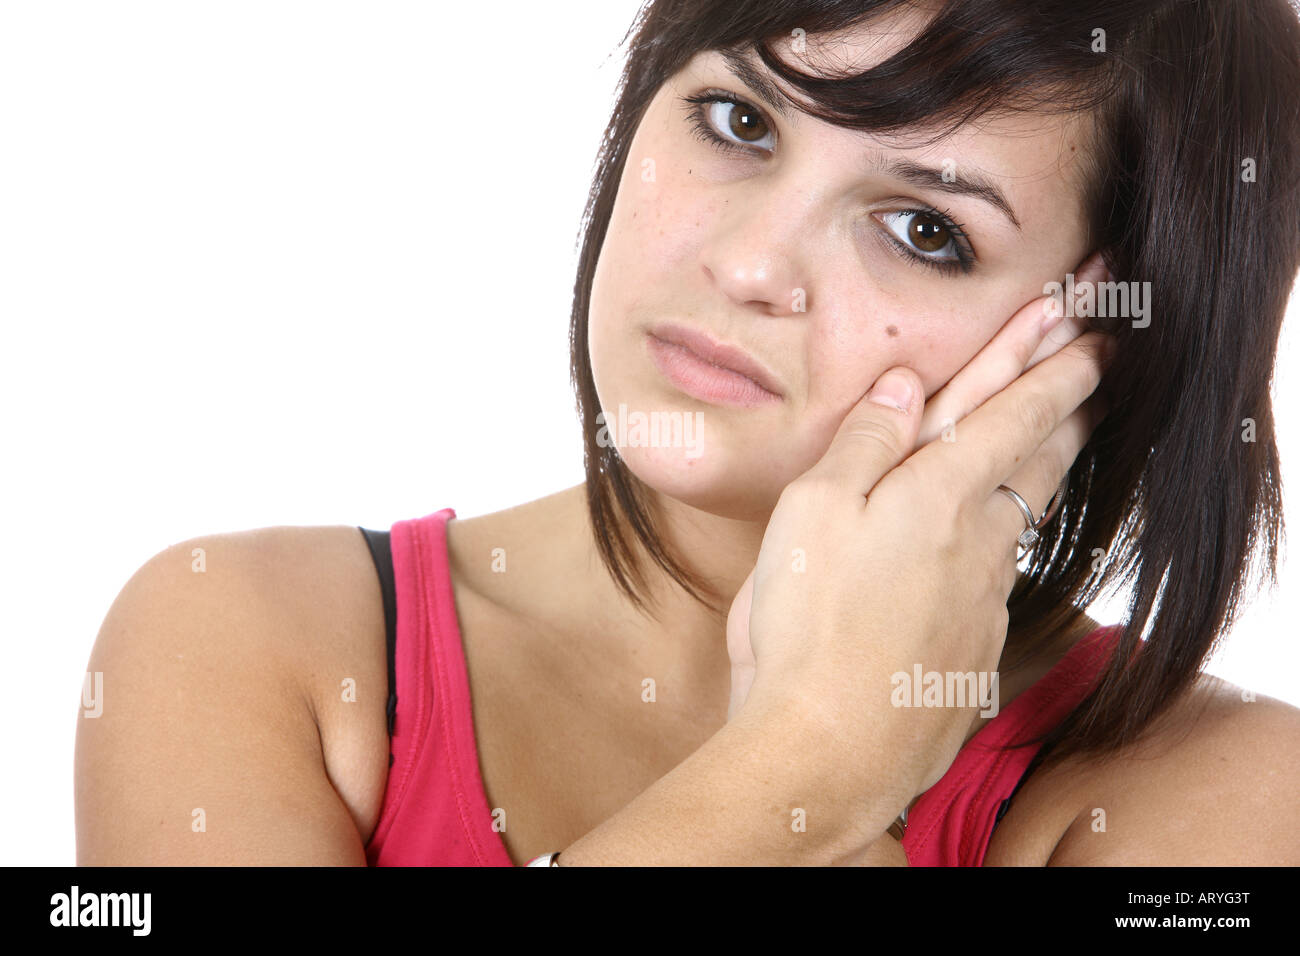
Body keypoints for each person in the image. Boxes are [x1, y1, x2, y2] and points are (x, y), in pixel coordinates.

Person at [76, 0, 1300, 866]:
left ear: (1097, 345)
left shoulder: (1226, 795)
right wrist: (808, 767)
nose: (749, 260)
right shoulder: (244, 641)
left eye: (926, 229)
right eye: (737, 123)